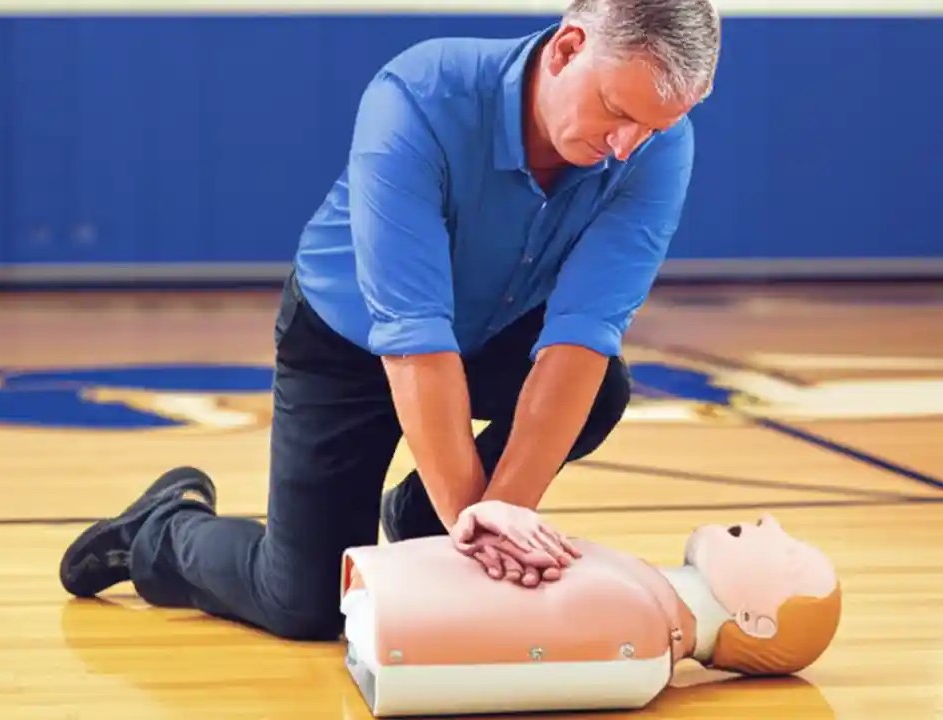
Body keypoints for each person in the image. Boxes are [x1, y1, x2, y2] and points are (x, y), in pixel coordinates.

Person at [59, 0, 722, 640]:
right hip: (347, 343)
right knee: (307, 606)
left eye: (654, 128)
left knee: (602, 388)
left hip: (495, 332)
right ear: (568, 48)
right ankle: (162, 529)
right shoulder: (419, 96)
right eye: (616, 111)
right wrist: (474, 520)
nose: (625, 147)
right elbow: (415, 339)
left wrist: (501, 515)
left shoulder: (656, 147)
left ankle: (417, 517)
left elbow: (582, 336)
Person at [339, 513, 842, 716]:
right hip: (381, 594)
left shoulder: (643, 643)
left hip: (388, 615)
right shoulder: (646, 609)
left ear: (756, 622)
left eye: (788, 554)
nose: (769, 523)